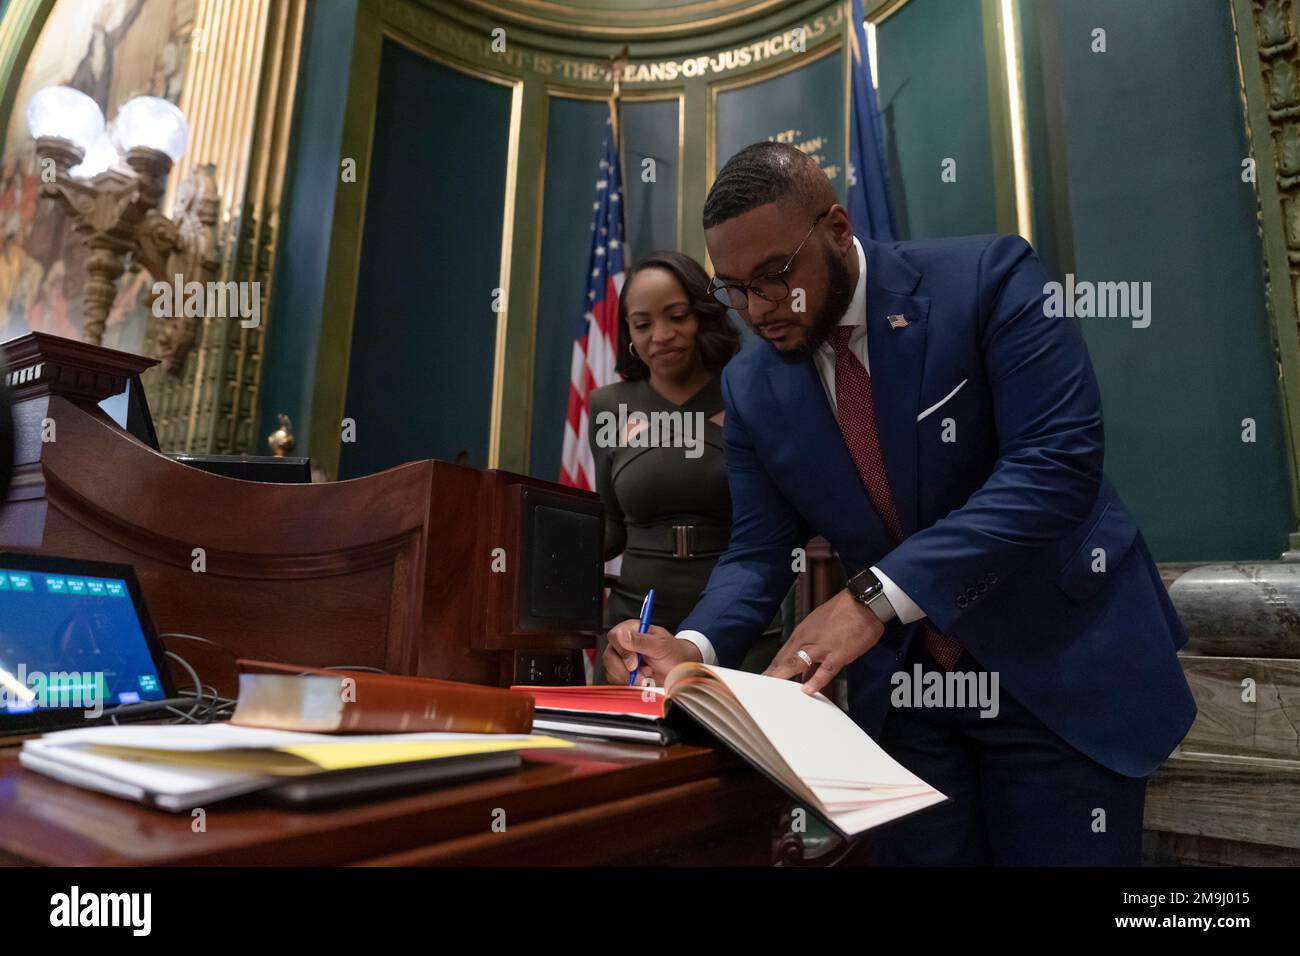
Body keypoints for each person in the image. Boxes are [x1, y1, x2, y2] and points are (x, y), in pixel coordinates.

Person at [603, 141, 1195, 865]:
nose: (758, 311)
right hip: (911, 702)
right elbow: (759, 552)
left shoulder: (988, 278)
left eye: (774, 278)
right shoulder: (753, 385)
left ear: (837, 228)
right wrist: (689, 648)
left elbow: (1055, 466)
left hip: (1055, 669)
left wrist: (872, 599)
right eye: (733, 289)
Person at [588, 250, 760, 675]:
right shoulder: (608, 404)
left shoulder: (747, 392)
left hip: (735, 619)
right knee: (629, 741)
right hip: (636, 626)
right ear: (628, 331)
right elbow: (610, 527)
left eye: (677, 316)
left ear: (702, 315)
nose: (660, 335)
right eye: (642, 324)